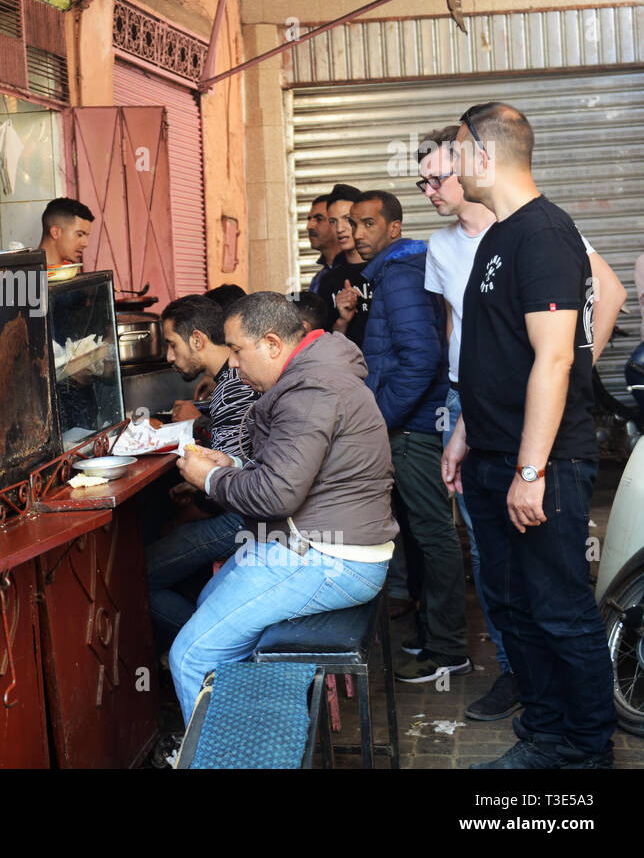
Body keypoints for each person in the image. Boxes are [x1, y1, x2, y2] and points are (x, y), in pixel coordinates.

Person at [420, 127, 627, 718]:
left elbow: (557, 356)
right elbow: (489, 353)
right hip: (488, 448)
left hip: (542, 460)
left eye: (456, 157)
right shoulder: (496, 238)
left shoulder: (544, 234)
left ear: (484, 156)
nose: (450, 172)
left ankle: (584, 749)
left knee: (559, 607)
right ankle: (542, 731)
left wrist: (531, 468)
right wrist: (463, 433)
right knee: (513, 604)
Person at [169, 293, 397, 722]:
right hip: (317, 541)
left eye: (237, 350)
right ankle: (258, 731)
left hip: (331, 554)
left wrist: (210, 479)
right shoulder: (312, 374)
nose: (232, 364)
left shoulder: (310, 389)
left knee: (190, 657)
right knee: (207, 599)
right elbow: (295, 470)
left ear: (272, 344)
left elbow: (277, 495)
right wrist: (233, 464)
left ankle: (240, 748)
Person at [348, 189, 469, 683]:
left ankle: (449, 649)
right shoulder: (395, 272)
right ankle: (432, 634)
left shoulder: (399, 276)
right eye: (353, 224)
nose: (356, 234)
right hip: (411, 424)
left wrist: (383, 417)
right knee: (420, 536)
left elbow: (421, 360)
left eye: (369, 224)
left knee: (434, 535)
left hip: (415, 429)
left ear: (394, 228)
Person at [147, 297, 259, 651]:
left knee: (141, 576)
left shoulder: (232, 387)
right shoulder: (226, 384)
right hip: (245, 506)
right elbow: (230, 461)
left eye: (171, 344)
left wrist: (197, 496)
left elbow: (225, 490)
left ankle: (214, 648)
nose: (168, 356)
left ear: (197, 339)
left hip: (244, 517)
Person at [315, 183, 371, 346]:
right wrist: (342, 320)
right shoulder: (329, 281)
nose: (340, 228)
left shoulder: (385, 269)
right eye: (333, 221)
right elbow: (327, 346)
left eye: (347, 219)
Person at [39, 197, 93, 267]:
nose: (85, 244)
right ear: (56, 232)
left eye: (86, 236)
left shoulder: (69, 271)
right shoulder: (28, 274)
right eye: (79, 235)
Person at [304, 194, 341, 293]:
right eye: (309, 219)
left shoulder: (360, 271)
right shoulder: (318, 279)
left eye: (319, 219)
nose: (309, 226)